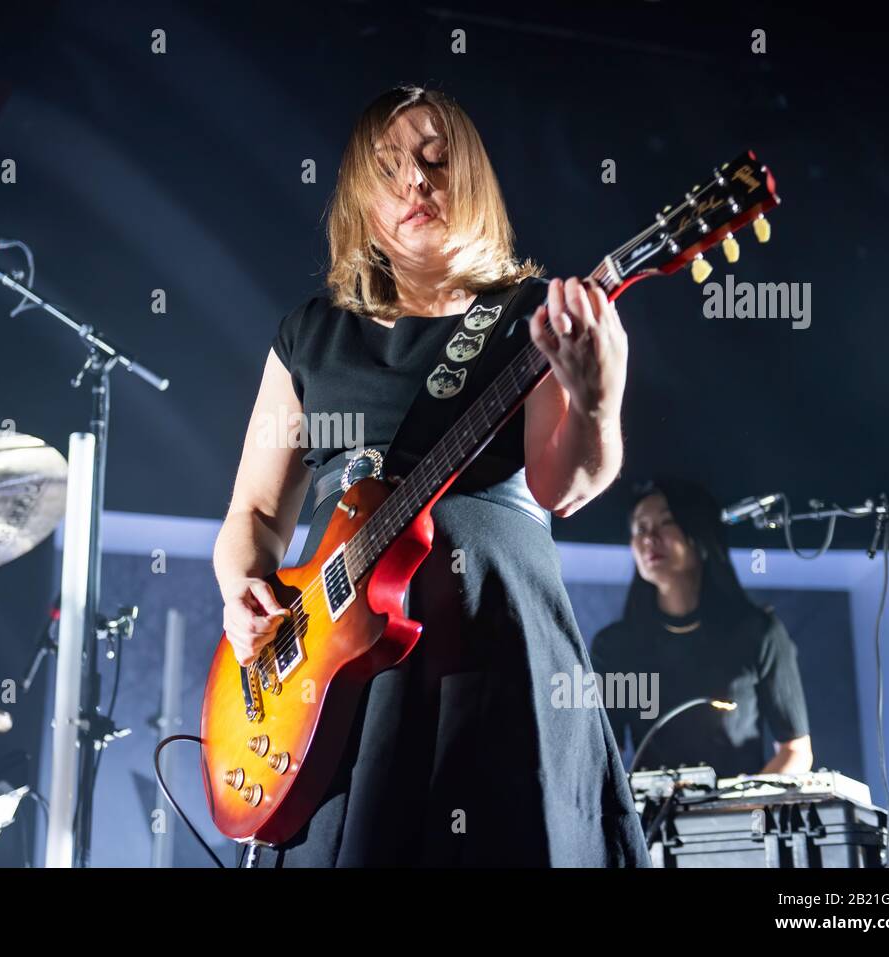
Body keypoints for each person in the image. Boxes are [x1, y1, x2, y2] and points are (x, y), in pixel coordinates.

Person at [212, 84, 647, 866]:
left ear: (471, 178)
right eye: (388, 169)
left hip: (491, 643)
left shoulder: (531, 315)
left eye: (435, 159)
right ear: (361, 204)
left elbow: (565, 486)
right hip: (338, 674)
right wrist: (240, 583)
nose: (414, 179)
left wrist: (597, 396)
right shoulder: (311, 334)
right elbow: (254, 511)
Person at [589, 479, 813, 778]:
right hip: (651, 821)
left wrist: (742, 808)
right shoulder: (615, 646)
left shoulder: (759, 632)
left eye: (666, 522)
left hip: (741, 815)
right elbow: (605, 754)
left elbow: (796, 751)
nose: (650, 538)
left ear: (699, 534)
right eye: (640, 529)